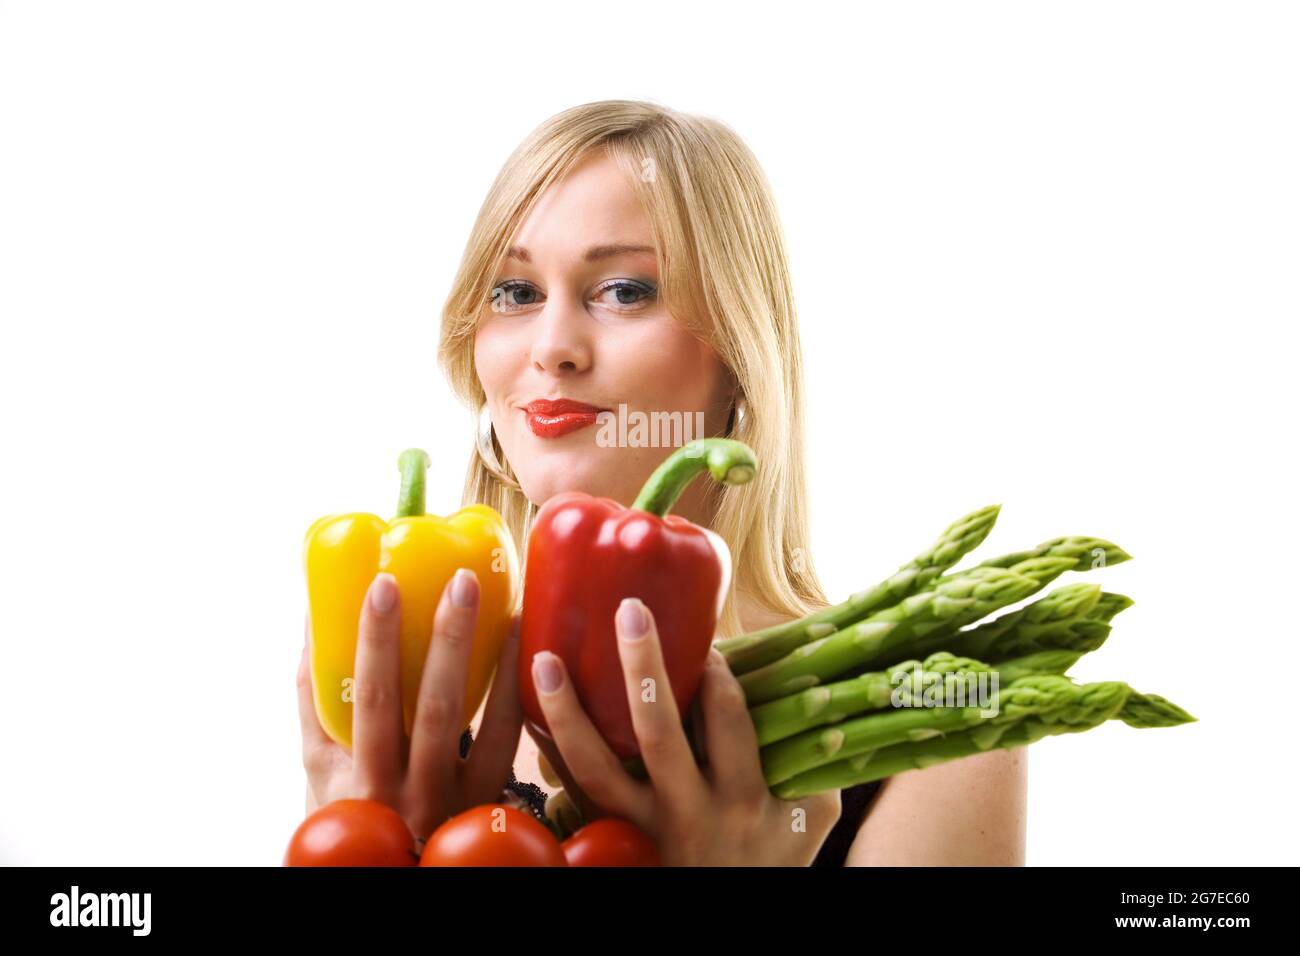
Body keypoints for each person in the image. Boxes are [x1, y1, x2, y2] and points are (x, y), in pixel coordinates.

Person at [297, 99, 1026, 865]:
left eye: (623, 291)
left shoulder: (937, 712)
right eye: (515, 293)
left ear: (738, 353)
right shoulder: (401, 704)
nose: (552, 349)